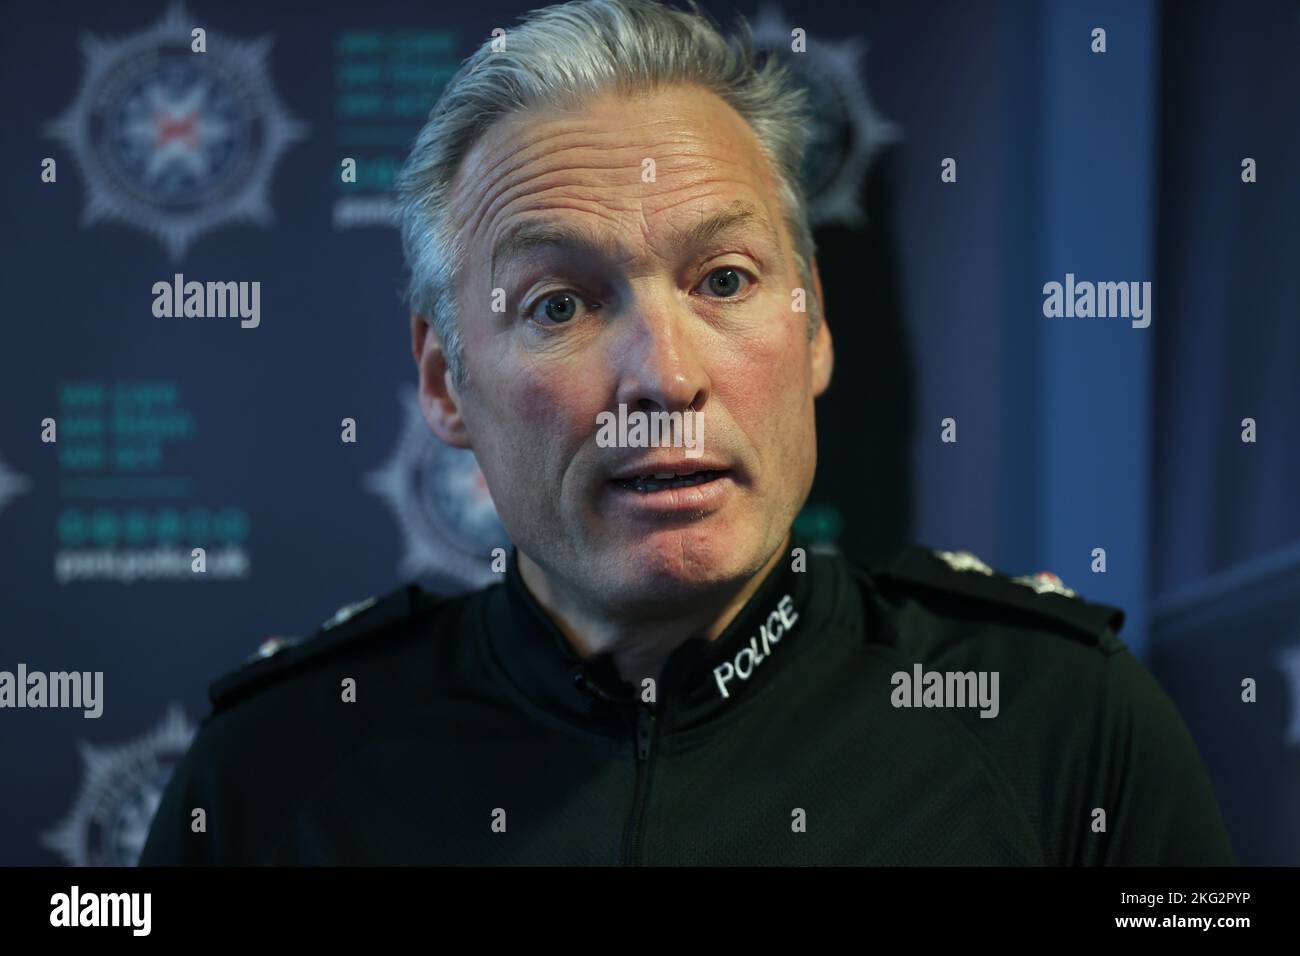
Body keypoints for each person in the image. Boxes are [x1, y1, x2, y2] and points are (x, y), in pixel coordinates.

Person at [139, 0, 1234, 866]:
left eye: (723, 278)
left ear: (811, 328)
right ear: (444, 380)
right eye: (559, 304)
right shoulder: (272, 771)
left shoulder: (1065, 723)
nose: (663, 375)